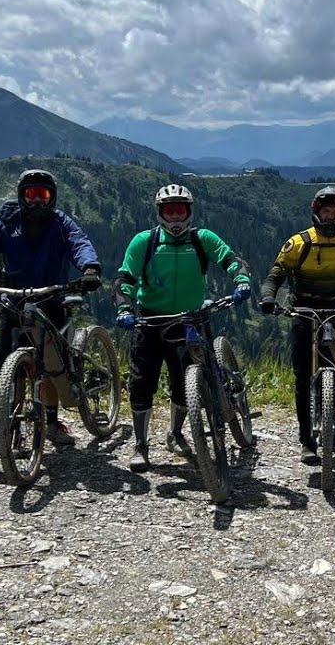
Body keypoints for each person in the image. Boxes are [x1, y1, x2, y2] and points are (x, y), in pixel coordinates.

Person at [112, 184, 253, 472]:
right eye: (169, 211)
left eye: (180, 210)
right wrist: (125, 307)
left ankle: (175, 434)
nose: (175, 217)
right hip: (151, 320)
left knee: (183, 382)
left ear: (189, 212)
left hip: (191, 319)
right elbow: (124, 279)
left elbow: (231, 260)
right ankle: (141, 444)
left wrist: (241, 280)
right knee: (141, 383)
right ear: (160, 213)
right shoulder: (144, 241)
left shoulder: (203, 239)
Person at [0, 169, 102, 446]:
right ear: (22, 196)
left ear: (52, 197)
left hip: (51, 298)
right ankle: (11, 421)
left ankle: (51, 421)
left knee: (52, 365)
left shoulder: (60, 222)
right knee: (9, 368)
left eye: (43, 195)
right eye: (31, 195)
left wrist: (89, 267)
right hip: (15, 300)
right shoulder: (6, 223)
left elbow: (79, 243)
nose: (37, 201)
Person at [258, 186, 335, 464]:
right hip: (304, 314)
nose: (331, 217)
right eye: (326, 212)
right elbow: (275, 275)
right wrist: (268, 298)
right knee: (303, 378)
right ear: (316, 212)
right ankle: (306, 440)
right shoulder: (299, 243)